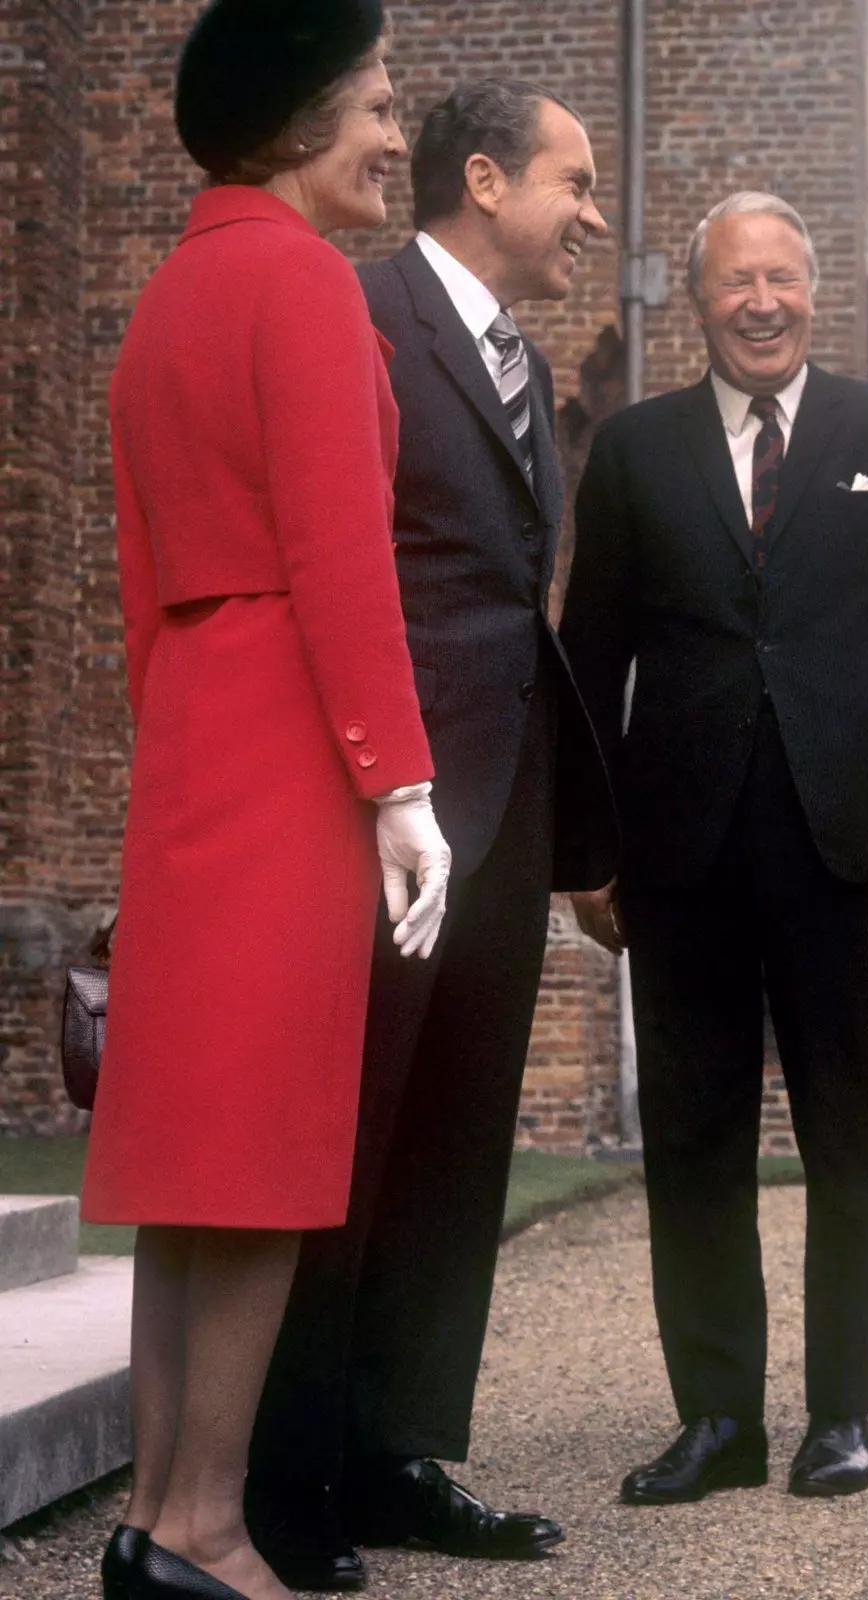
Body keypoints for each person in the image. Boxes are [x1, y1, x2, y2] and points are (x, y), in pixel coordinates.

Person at [79, 4, 450, 1598]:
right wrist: (399, 781)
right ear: (301, 122)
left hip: (195, 746)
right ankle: (210, 1527)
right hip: (298, 735)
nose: (394, 130)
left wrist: (192, 753)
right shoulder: (302, 283)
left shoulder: (173, 293)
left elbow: (141, 576)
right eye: (375, 102)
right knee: (263, 1158)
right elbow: (340, 558)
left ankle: (154, 1517)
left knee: (189, 1167)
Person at [245, 79, 617, 1590]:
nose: (592, 214)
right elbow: (337, 561)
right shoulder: (361, 315)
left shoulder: (521, 363)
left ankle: (399, 1452)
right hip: (394, 804)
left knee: (460, 1129)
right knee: (359, 1121)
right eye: (573, 183)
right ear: (486, 179)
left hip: (509, 798)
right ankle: (291, 1478)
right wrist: (383, 783)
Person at [561, 191, 868, 1505]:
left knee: (851, 1133)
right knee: (693, 1138)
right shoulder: (635, 451)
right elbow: (590, 660)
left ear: (816, 293)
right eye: (735, 281)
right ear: (697, 300)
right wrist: (584, 849)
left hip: (842, 839)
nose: (760, 302)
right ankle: (718, 1422)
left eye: (782, 280)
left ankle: (840, 1415)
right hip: (676, 853)